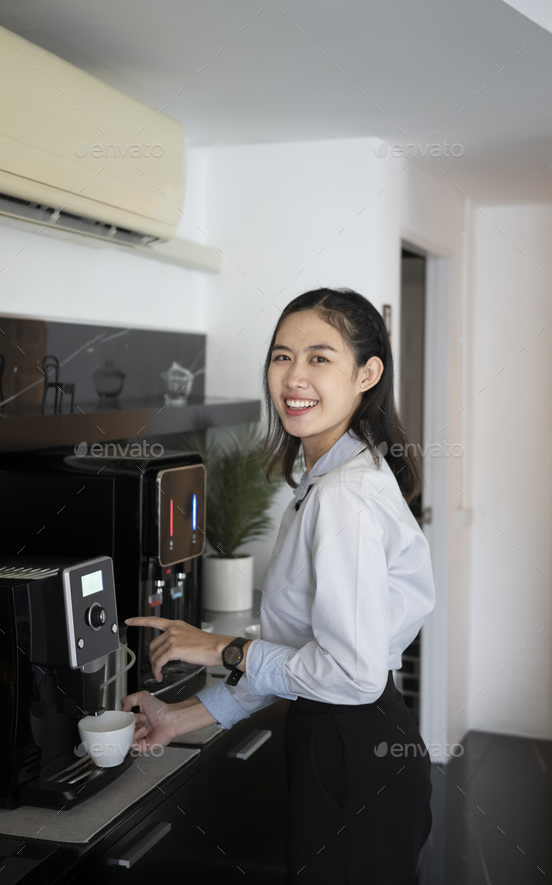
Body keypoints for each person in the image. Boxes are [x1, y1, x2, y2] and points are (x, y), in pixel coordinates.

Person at [123, 287, 436, 884]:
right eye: (281, 356)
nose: (294, 377)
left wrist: (220, 647)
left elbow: (349, 675)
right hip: (350, 747)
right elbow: (299, 657)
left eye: (320, 357)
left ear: (367, 373)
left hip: (351, 752)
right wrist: (180, 717)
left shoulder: (344, 496)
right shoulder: (332, 479)